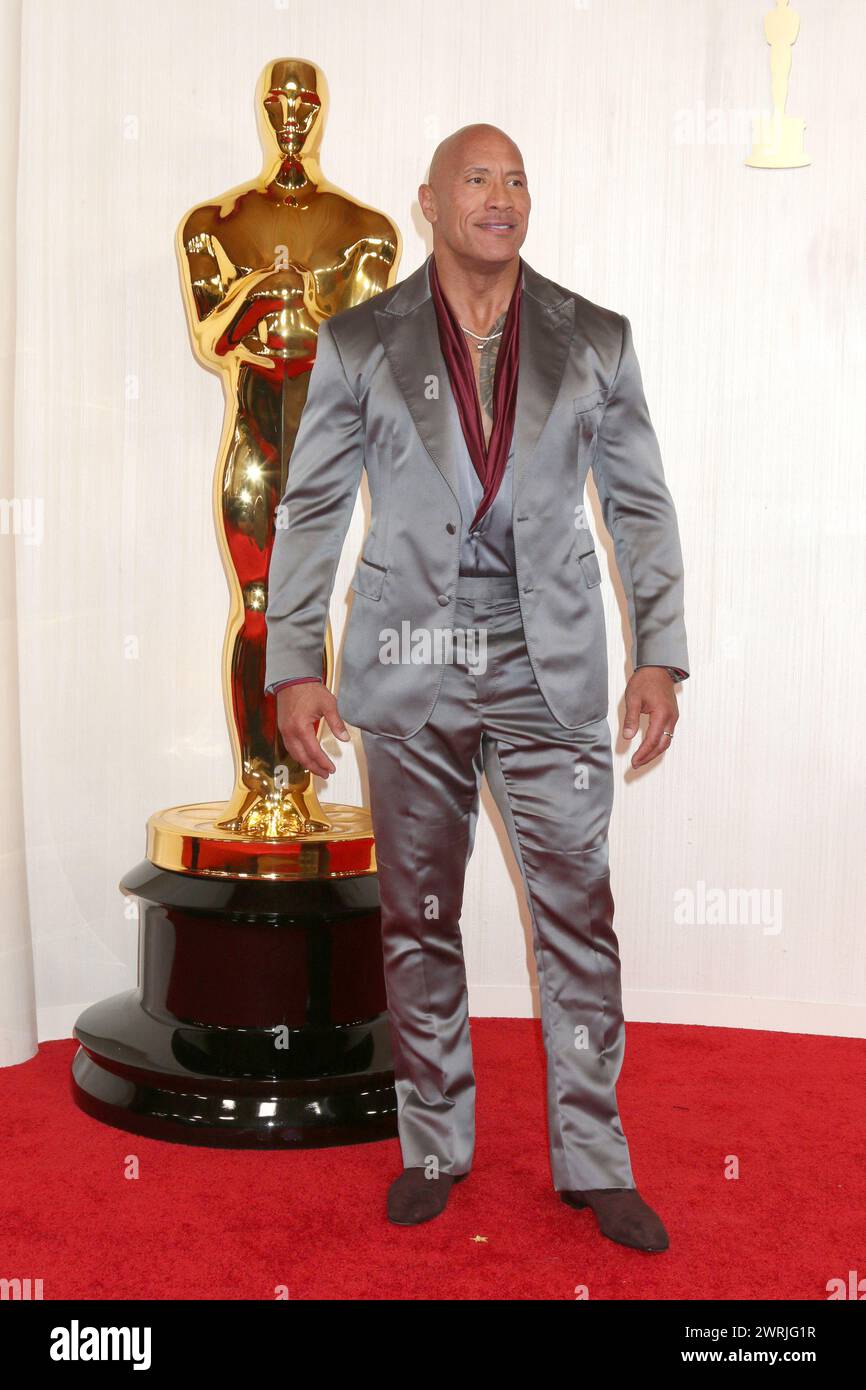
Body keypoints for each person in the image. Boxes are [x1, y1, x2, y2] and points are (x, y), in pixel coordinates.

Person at [265, 123, 689, 1253]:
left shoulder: (593, 338)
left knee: (577, 918)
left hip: (545, 664)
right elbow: (310, 507)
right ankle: (433, 1143)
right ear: (428, 202)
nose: (499, 198)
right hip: (408, 665)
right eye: (476, 179)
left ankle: (593, 1157)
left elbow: (638, 505)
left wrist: (659, 649)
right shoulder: (359, 341)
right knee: (418, 918)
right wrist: (294, 661)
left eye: (514, 180)